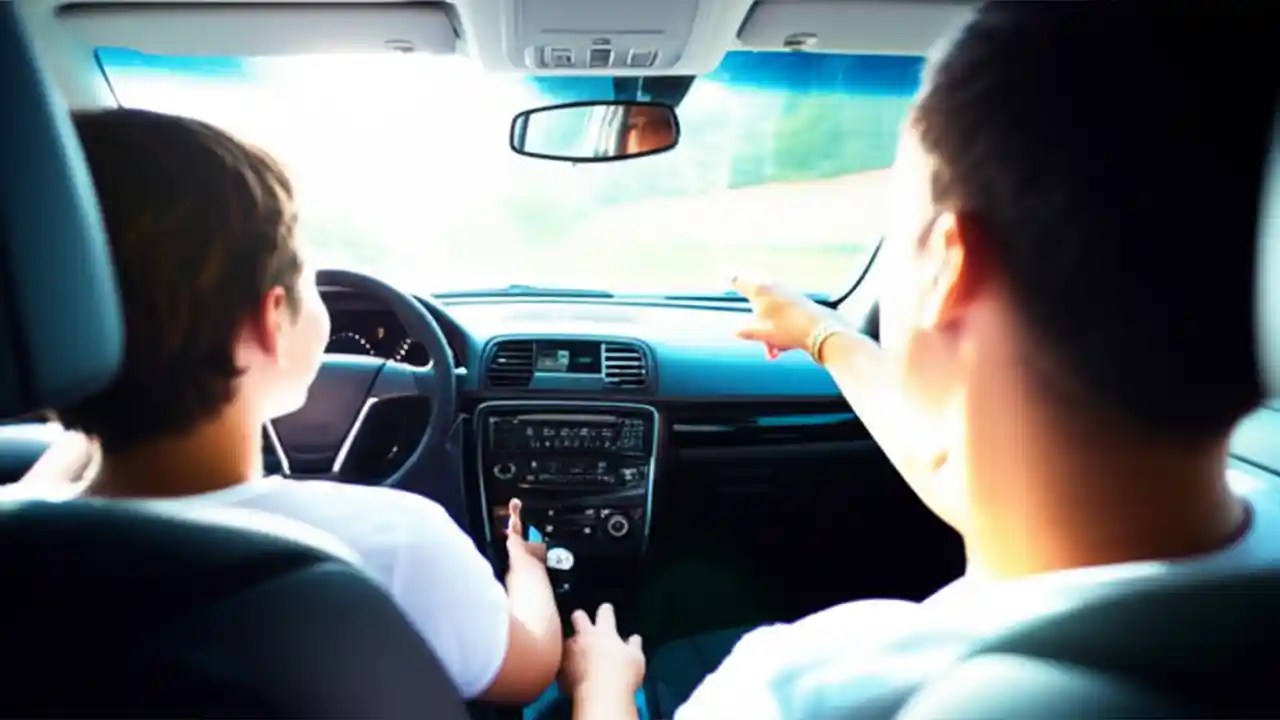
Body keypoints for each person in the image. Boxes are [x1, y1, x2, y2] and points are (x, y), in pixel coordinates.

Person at [559, 2, 1280, 718]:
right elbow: (978, 470)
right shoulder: (1254, 529)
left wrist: (602, 689)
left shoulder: (806, 692)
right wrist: (825, 336)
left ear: (945, 266)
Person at [19, 108, 561, 705]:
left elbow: (71, 471)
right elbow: (526, 670)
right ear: (271, 318)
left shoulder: (23, 527)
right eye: (306, 278)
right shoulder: (400, 542)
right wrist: (527, 564)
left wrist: (106, 391)